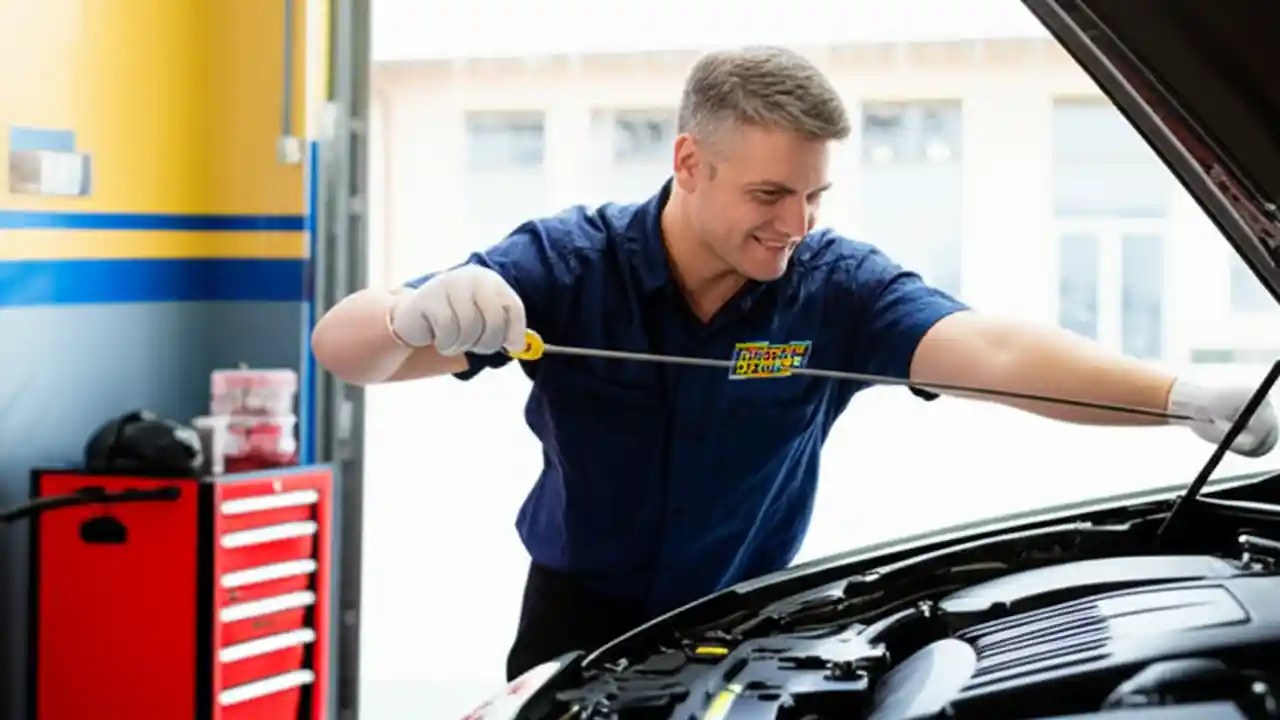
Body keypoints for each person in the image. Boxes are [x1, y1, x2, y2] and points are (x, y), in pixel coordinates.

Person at [310, 45, 1279, 681]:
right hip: (572, 615)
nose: (795, 225)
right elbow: (345, 353)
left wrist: (1181, 395)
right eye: (769, 193)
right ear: (689, 163)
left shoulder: (835, 286)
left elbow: (991, 351)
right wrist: (404, 313)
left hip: (747, 619)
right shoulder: (567, 263)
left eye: (813, 194)